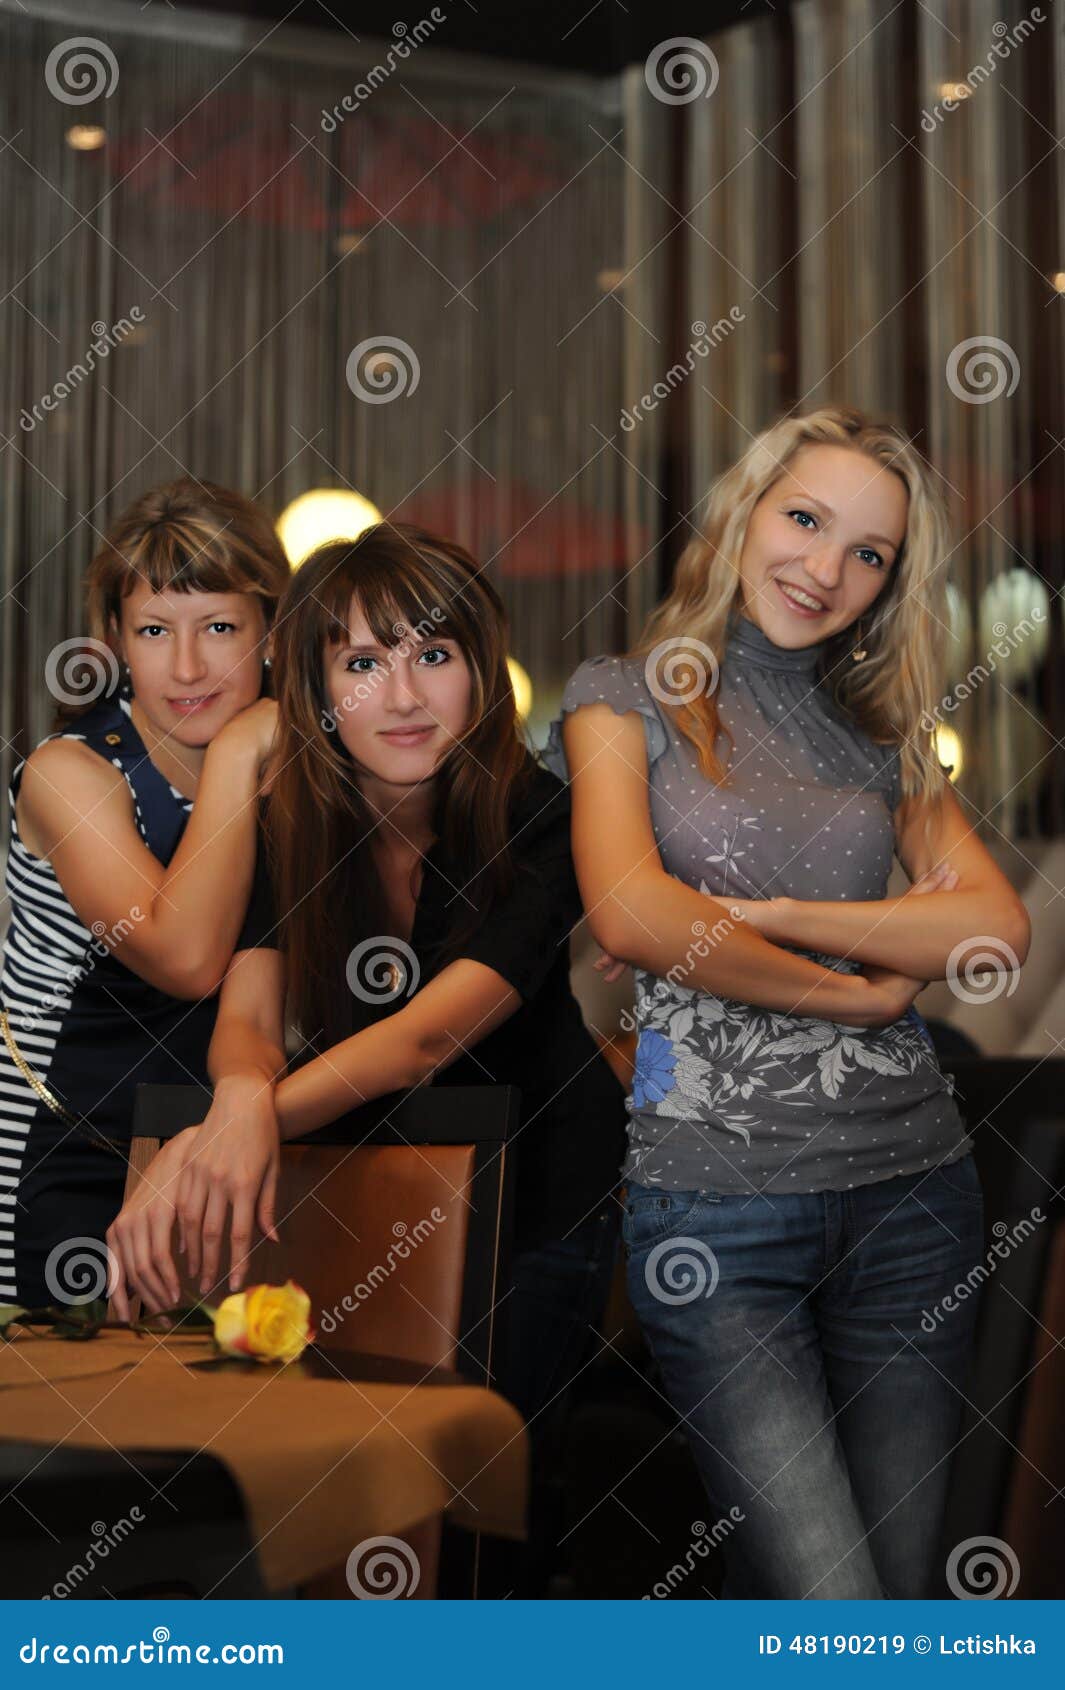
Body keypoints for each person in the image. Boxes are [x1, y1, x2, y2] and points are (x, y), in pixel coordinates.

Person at [541, 404, 1030, 1599]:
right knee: (828, 1601)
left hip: (915, 1198)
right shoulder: (623, 696)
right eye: (806, 520)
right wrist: (856, 996)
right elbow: (634, 918)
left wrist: (772, 920)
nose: (826, 569)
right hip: (715, 1214)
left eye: (870, 553)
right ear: (743, 513)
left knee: (907, 1603)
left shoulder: (883, 728)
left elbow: (992, 929)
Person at [106, 523, 628, 1590]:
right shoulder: (295, 813)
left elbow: (429, 1034)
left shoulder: (540, 812)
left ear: (483, 667)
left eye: (432, 654)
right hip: (370, 1196)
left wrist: (221, 1134)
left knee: (487, 1520)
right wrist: (240, 1100)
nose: (401, 694)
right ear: (317, 685)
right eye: (361, 663)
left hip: (542, 1199)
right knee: (348, 1508)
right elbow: (246, 1012)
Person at [1, 478, 288, 1310]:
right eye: (156, 631)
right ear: (115, 642)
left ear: (271, 632)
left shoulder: (302, 771)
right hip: (55, 1152)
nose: (189, 666)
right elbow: (188, 958)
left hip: (212, 1150)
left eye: (221, 627)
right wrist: (239, 750)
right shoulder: (70, 774)